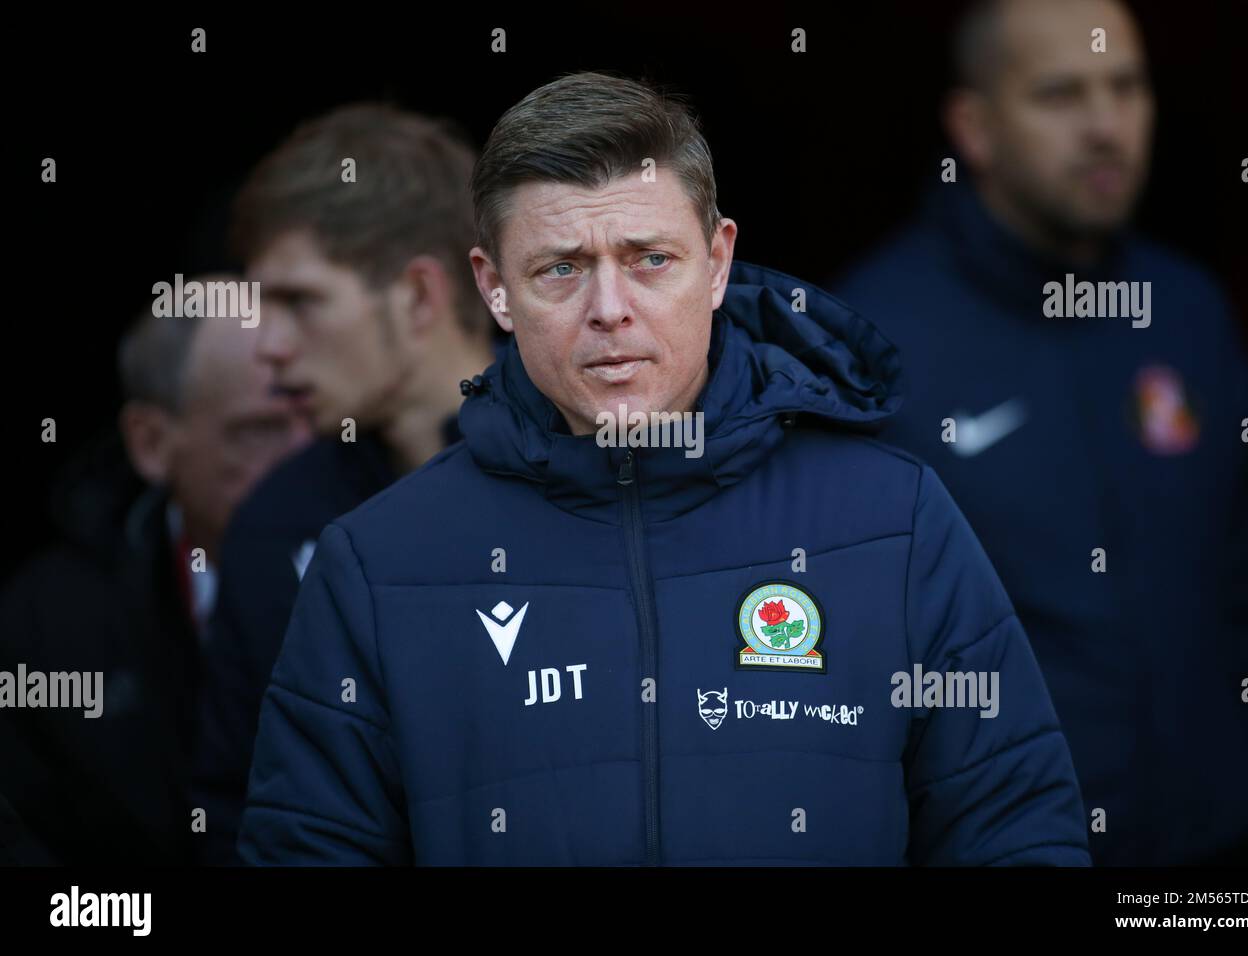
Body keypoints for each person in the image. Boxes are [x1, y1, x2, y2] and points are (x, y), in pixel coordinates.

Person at [237, 72, 1091, 866]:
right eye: (560, 269)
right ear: (493, 288)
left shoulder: (894, 522)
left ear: (717, 263)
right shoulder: (378, 565)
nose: (610, 311)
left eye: (650, 259)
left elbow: (1016, 834)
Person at [831, 0, 1248, 864]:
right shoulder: (876, 343)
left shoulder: (1190, 308)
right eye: (1060, 94)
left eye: (1126, 87)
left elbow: (1239, 567)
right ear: (974, 126)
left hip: (1216, 846)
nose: (1105, 125)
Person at [191, 103, 501, 863]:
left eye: (299, 301)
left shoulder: (593, 466)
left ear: (421, 296)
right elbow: (238, 807)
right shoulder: (276, 520)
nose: (267, 347)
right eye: (263, 307)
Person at [0, 290, 309, 864]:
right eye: (258, 431)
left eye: (318, 420)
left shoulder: (379, 572)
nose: (306, 459)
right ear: (151, 442)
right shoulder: (46, 626)